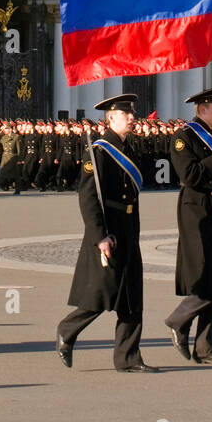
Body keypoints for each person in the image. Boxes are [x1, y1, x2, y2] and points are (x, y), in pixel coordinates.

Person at [56, 95, 157, 373]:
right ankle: (67, 329)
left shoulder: (128, 148)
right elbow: (88, 197)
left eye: (132, 114)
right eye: (127, 115)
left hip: (128, 229)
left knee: (132, 296)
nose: (133, 118)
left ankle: (128, 358)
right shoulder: (99, 151)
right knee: (101, 294)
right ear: (111, 118)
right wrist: (99, 235)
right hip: (108, 232)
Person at [165, 87, 212, 367]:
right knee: (204, 273)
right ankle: (178, 319)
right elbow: (190, 174)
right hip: (195, 210)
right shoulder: (183, 137)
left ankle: (206, 349)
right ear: (202, 109)